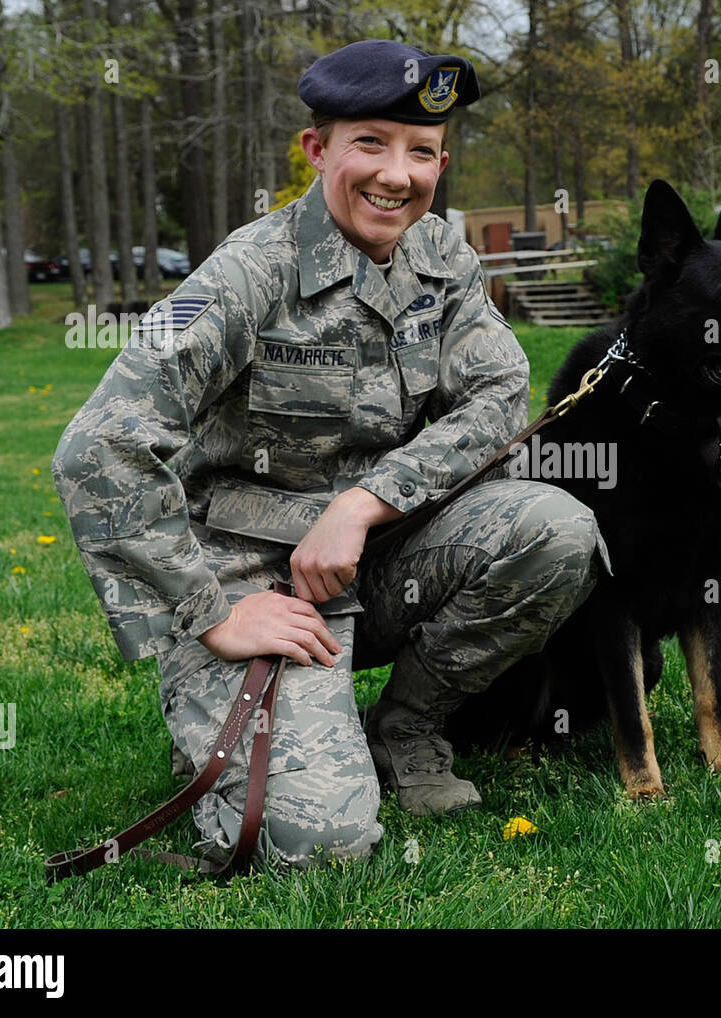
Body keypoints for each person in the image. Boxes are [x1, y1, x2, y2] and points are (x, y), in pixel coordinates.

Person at [52, 39, 609, 870]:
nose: (397, 174)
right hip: (258, 581)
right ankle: (232, 712)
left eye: (421, 152)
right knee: (318, 846)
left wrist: (363, 504)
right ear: (318, 151)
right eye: (371, 144)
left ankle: (405, 725)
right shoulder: (244, 275)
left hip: (378, 558)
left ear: (442, 162)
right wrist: (210, 612)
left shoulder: (442, 258)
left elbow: (498, 399)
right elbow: (97, 447)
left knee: (558, 531)